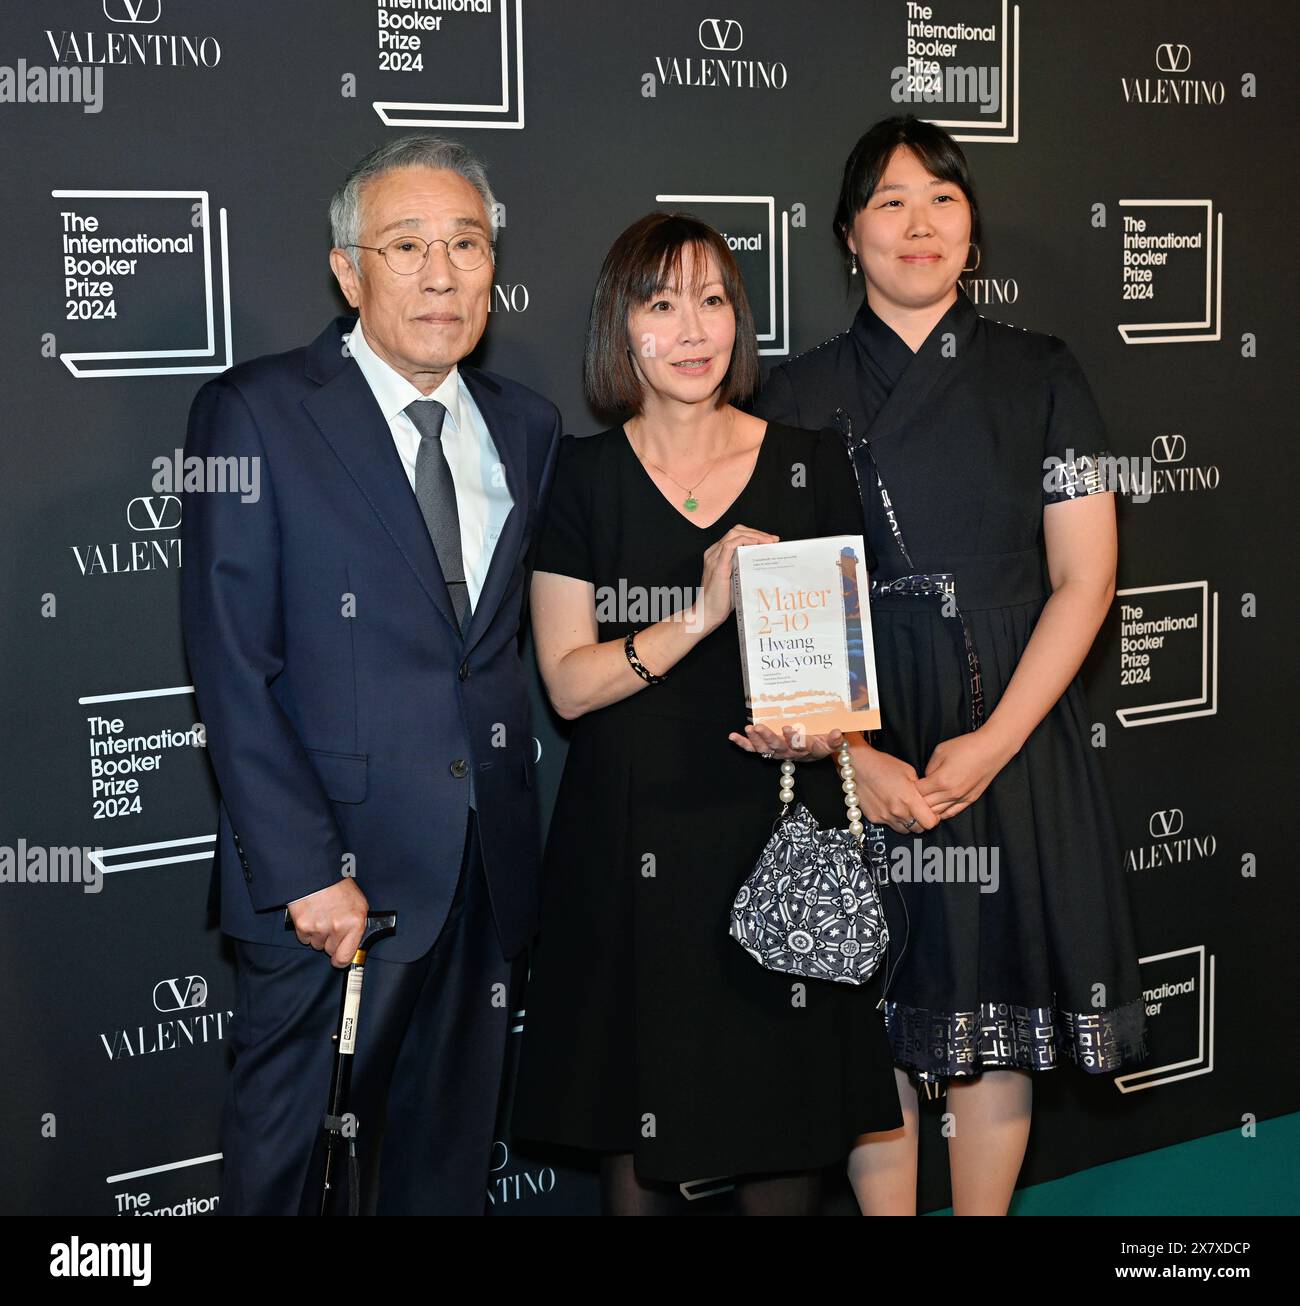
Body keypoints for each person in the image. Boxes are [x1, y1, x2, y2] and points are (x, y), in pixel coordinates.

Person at [754, 115, 1147, 1216]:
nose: (916, 223)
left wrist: (992, 741)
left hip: (1007, 721)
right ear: (846, 235)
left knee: (995, 1014)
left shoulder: (1042, 372)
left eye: (941, 197)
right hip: (856, 733)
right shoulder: (793, 395)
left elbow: (1084, 579)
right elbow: (780, 606)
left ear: (971, 232)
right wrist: (857, 753)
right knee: (877, 1008)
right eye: (888, 200)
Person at [180, 134, 562, 1215]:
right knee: (292, 1173)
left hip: (484, 876)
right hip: (330, 883)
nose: (441, 272)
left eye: (466, 243)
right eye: (406, 245)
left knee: (442, 1168)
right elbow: (231, 663)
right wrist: (303, 869)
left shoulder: (526, 429)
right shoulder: (257, 412)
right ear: (348, 271)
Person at [510, 212, 903, 1216]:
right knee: (636, 1143)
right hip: (630, 841)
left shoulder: (813, 460)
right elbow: (565, 680)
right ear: (621, 328)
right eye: (661, 303)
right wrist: (699, 613)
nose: (692, 329)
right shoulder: (582, 476)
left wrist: (824, 736)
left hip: (772, 835)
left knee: (786, 1132)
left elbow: (839, 684)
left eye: (714, 300)